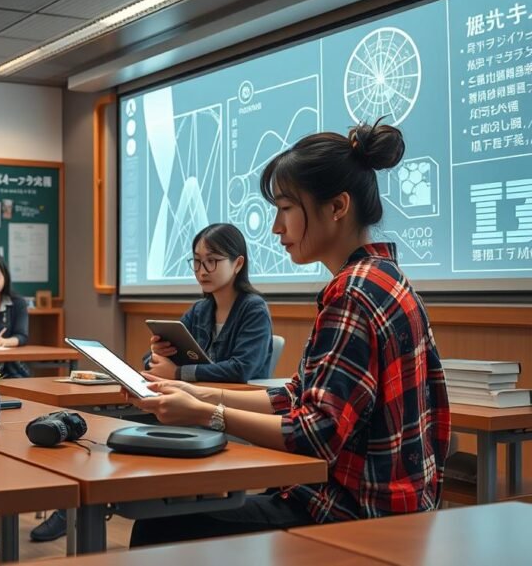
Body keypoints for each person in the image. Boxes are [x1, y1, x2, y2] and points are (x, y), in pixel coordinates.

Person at [128, 121, 451, 547]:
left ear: (336, 207)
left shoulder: (352, 293)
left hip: (354, 514)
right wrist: (198, 396)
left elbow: (314, 434)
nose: (276, 228)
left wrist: (202, 413)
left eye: (285, 208)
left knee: (161, 521)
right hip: (388, 503)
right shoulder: (384, 278)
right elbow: (297, 395)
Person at [144, 223, 273, 382]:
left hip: (237, 401)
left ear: (238, 264)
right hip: (198, 398)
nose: (202, 271)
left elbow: (241, 369)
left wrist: (178, 373)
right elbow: (150, 363)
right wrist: (156, 353)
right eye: (197, 261)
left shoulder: (254, 309)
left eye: (212, 260)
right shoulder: (199, 310)